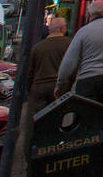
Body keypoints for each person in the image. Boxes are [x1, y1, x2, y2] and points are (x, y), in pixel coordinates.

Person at [54, 0, 103, 112]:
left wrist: (60, 83)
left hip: (87, 79)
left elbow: (69, 62)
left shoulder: (83, 32)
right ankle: (102, 129)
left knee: (85, 115)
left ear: (89, 13)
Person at [21, 16, 70, 153]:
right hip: (58, 87)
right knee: (56, 121)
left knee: (34, 123)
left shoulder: (38, 47)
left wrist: (29, 89)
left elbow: (30, 71)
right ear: (62, 29)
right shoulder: (68, 44)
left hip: (38, 87)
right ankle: (53, 151)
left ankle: (30, 154)